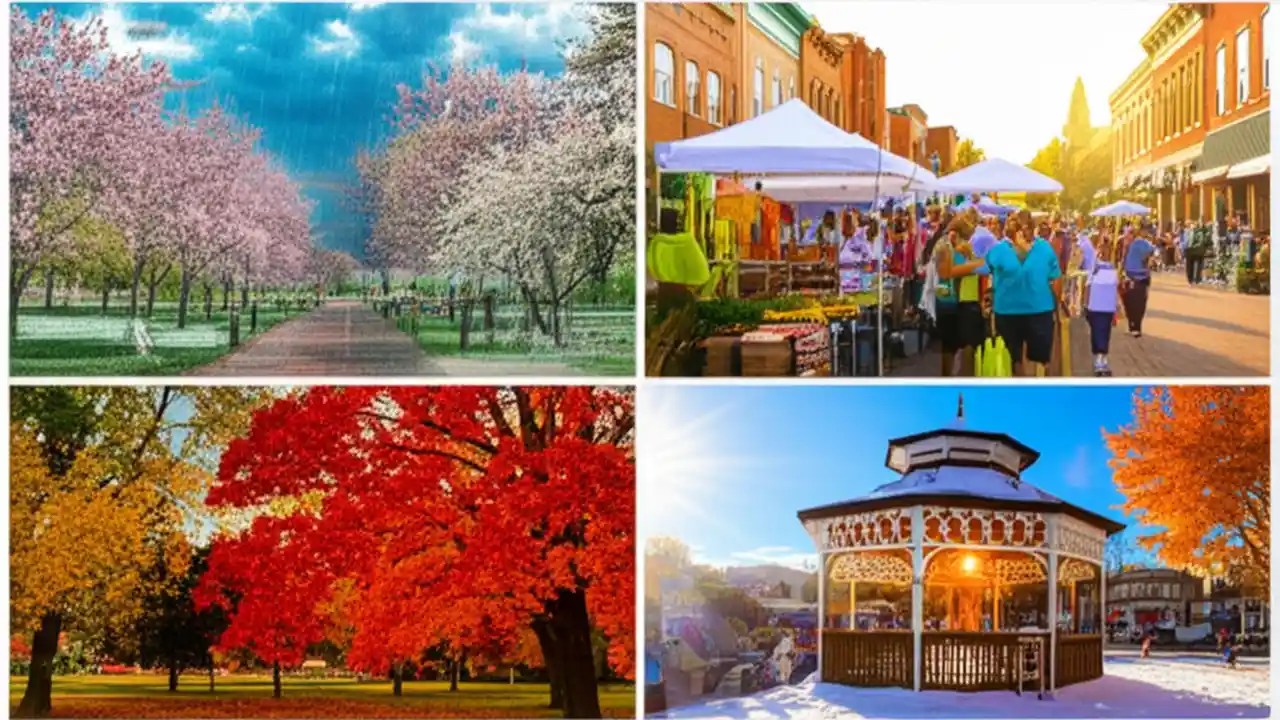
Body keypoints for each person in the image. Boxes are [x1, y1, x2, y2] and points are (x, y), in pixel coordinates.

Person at [986, 218, 1063, 377]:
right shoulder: (1042, 248)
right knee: (1027, 359)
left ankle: (1027, 388)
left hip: (1021, 311)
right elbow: (1055, 278)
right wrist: (1057, 307)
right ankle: (1034, 389)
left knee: (1020, 359)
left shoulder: (1000, 249)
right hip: (1028, 310)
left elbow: (986, 272)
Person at [933, 218, 986, 376]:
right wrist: (976, 265)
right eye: (967, 237)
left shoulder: (959, 249)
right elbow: (947, 272)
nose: (969, 241)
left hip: (958, 302)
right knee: (951, 347)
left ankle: (955, 380)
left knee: (958, 346)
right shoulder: (943, 247)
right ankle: (949, 382)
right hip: (948, 303)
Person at [1083, 238, 1122, 376]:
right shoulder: (1094, 268)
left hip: (1108, 308)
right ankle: (1098, 360)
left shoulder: (1112, 268)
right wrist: (1086, 305)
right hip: (1095, 306)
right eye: (1101, 248)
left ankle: (1103, 359)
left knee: (1105, 333)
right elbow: (1087, 286)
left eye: (1107, 249)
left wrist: (1118, 305)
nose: (1104, 251)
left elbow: (1115, 288)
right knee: (1097, 333)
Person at [1121, 228, 1157, 337]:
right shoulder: (1126, 246)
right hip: (1128, 277)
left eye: (1128, 235)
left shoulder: (1140, 243)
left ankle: (1137, 327)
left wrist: (1146, 259)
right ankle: (1132, 326)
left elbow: (1152, 250)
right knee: (1128, 303)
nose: (1126, 237)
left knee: (1138, 303)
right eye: (1125, 235)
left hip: (1140, 278)